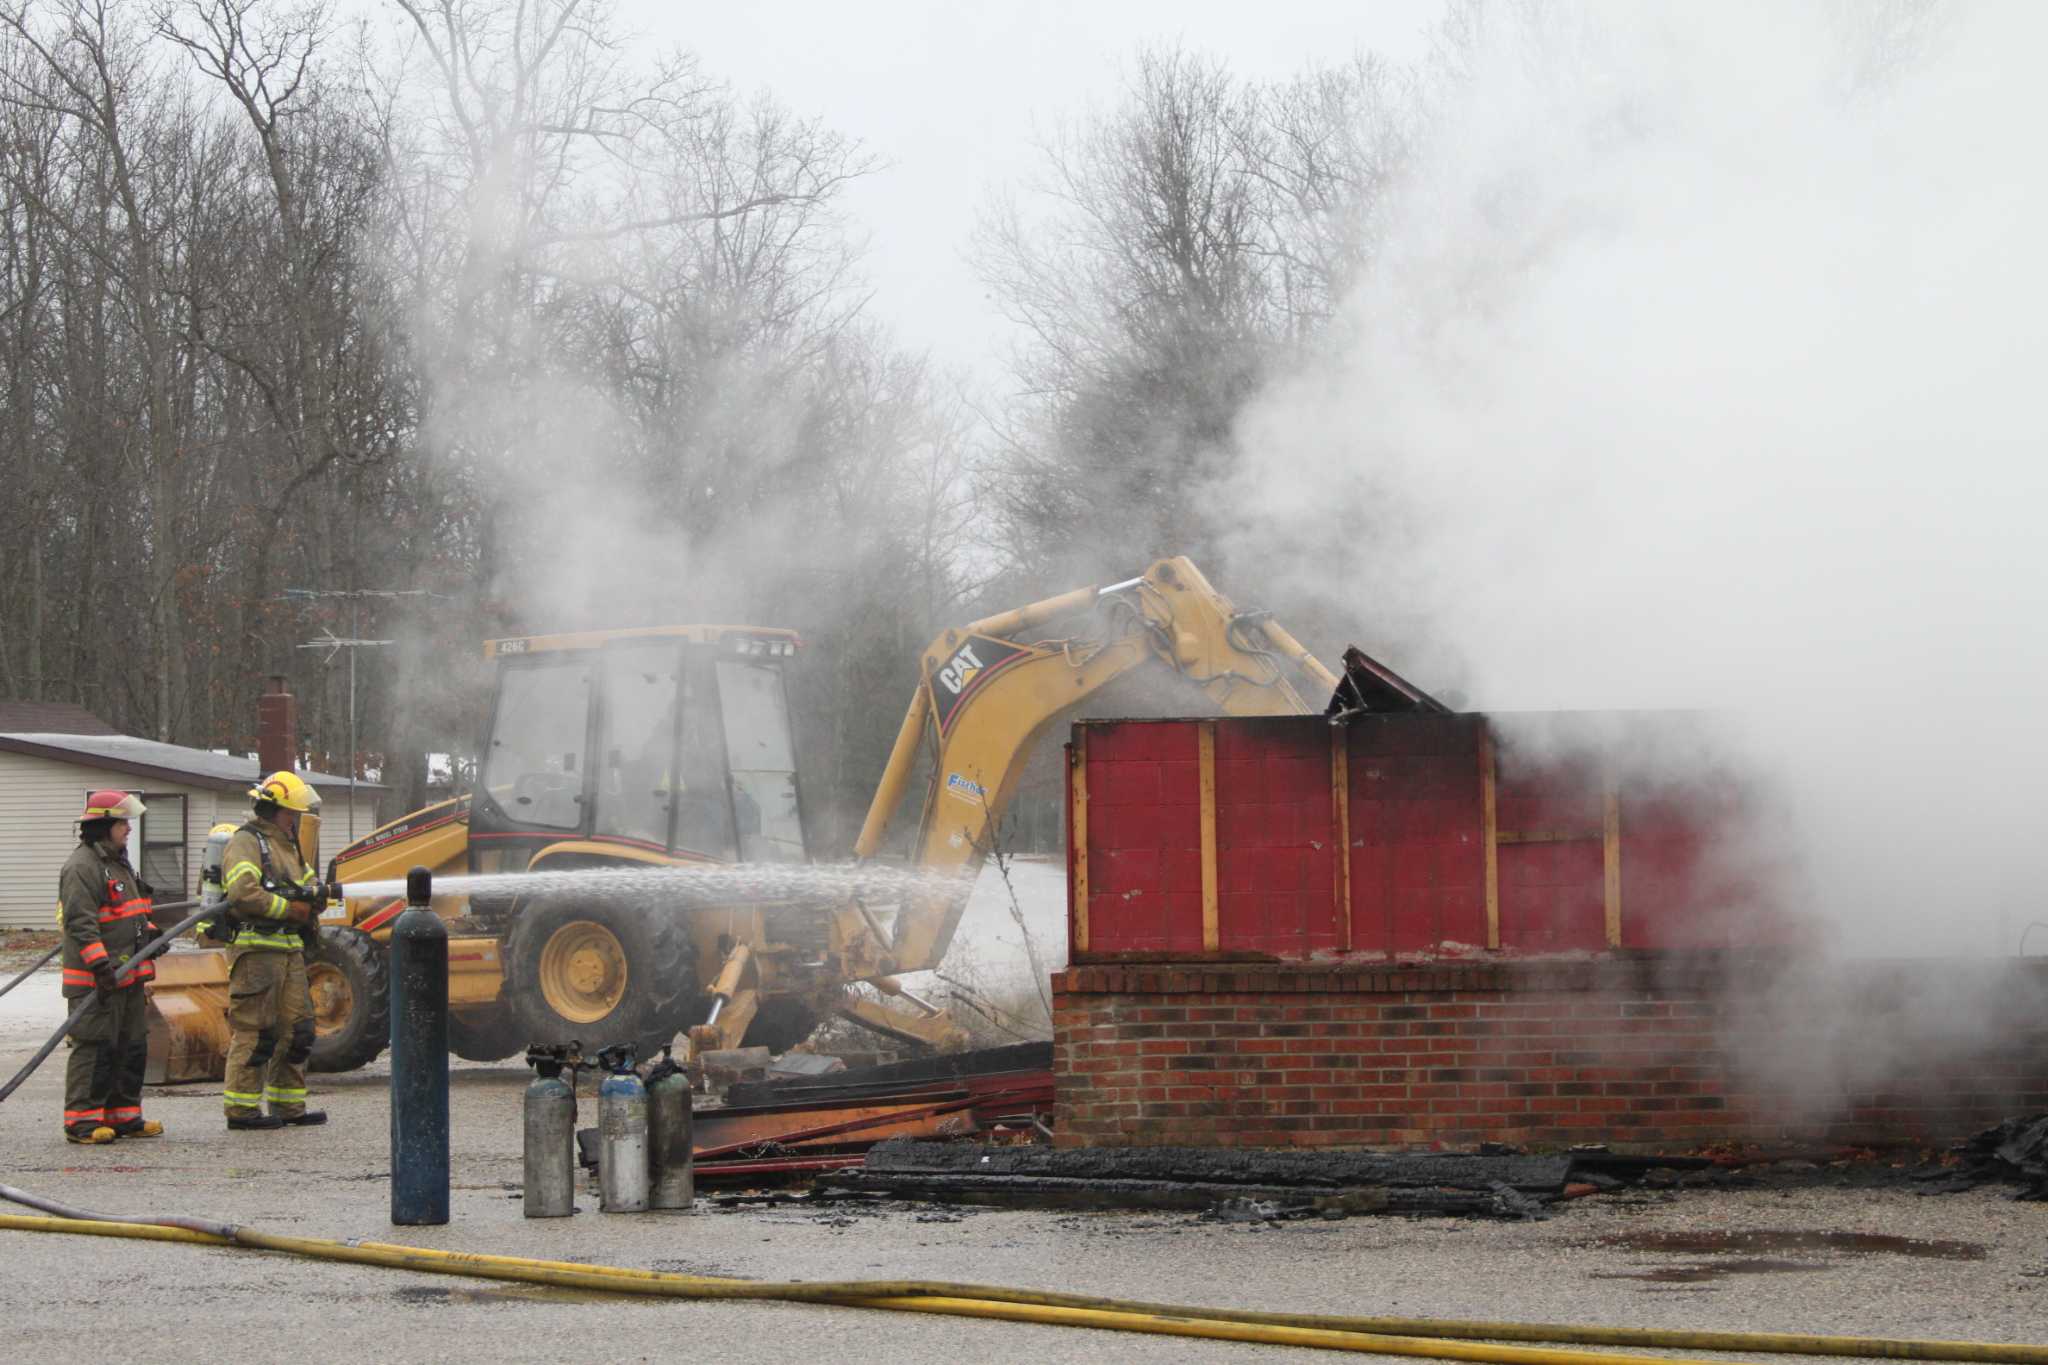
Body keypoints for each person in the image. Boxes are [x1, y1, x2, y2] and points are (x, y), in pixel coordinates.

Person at [217, 771, 329, 1131]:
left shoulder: (288, 845)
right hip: (256, 951)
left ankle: (288, 1105)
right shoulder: (247, 842)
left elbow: (307, 883)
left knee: (299, 1029)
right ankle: (242, 1110)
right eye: (292, 813)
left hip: (289, 950)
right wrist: (289, 909)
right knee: (257, 1029)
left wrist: (316, 898)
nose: (296, 820)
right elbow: (243, 892)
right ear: (276, 810)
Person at [58, 791, 163, 1143]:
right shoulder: (82, 867)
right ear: (103, 826)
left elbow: (127, 914)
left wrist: (151, 935)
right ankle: (82, 1121)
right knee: (95, 1046)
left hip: (128, 977)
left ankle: (123, 1115)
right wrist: (101, 967)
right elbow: (80, 922)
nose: (128, 829)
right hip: (96, 980)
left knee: (131, 1045)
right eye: (122, 823)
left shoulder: (117, 863)